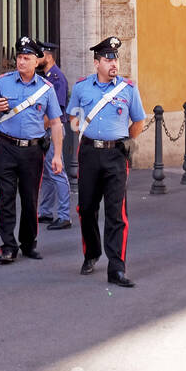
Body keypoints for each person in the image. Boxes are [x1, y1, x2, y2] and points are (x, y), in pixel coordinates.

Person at [68, 36, 145, 288]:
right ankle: (92, 253)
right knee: (86, 208)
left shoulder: (128, 89)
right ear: (96, 63)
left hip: (115, 155)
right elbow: (73, 118)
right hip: (89, 153)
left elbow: (138, 122)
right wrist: (79, 127)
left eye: (116, 58)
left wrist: (123, 142)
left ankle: (117, 267)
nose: (114, 63)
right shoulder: (81, 88)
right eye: (108, 59)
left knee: (116, 212)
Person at [0, 36, 64, 264]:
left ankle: (28, 243)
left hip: (32, 151)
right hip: (7, 147)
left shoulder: (46, 89)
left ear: (36, 60)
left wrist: (57, 155)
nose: (21, 62)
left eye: (26, 58)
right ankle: (8, 246)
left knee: (30, 199)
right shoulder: (4, 82)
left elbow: (56, 123)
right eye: (19, 57)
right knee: (6, 199)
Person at [37, 42, 72, 230]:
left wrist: (36, 128)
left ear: (48, 57)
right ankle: (45, 211)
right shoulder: (46, 77)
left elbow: (53, 113)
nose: (36, 59)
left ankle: (65, 215)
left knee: (57, 171)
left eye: (40, 55)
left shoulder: (56, 78)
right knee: (48, 173)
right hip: (46, 131)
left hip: (52, 130)